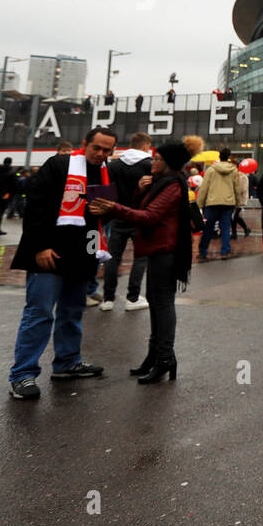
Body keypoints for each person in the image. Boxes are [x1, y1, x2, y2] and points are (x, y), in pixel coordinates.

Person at [7, 127, 118, 401]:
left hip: (81, 256)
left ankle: (67, 363)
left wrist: (97, 252)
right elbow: (36, 207)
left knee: (72, 312)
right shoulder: (59, 164)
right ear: (85, 144)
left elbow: (99, 223)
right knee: (40, 313)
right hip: (49, 253)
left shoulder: (106, 173)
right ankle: (22, 375)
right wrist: (40, 246)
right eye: (97, 148)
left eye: (107, 150)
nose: (101, 154)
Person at [90, 140, 193, 384]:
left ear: (168, 164)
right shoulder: (160, 183)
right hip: (157, 250)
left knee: (163, 305)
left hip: (166, 252)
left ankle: (165, 358)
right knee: (157, 304)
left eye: (157, 160)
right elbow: (144, 208)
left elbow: (150, 216)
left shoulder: (172, 186)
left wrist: (114, 208)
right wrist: (140, 190)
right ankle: (155, 356)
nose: (152, 163)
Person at [101, 132, 153, 311]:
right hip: (140, 215)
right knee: (140, 258)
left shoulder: (114, 164)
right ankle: (132, 297)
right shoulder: (149, 164)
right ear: (146, 146)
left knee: (113, 258)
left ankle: (108, 298)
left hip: (117, 214)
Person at [196, 146, 246, 261]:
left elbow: (204, 188)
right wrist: (238, 203)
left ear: (219, 156)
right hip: (228, 203)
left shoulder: (211, 170)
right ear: (229, 157)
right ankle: (225, 251)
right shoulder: (234, 171)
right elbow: (236, 188)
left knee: (208, 228)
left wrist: (199, 204)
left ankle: (203, 251)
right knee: (225, 227)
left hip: (212, 202)